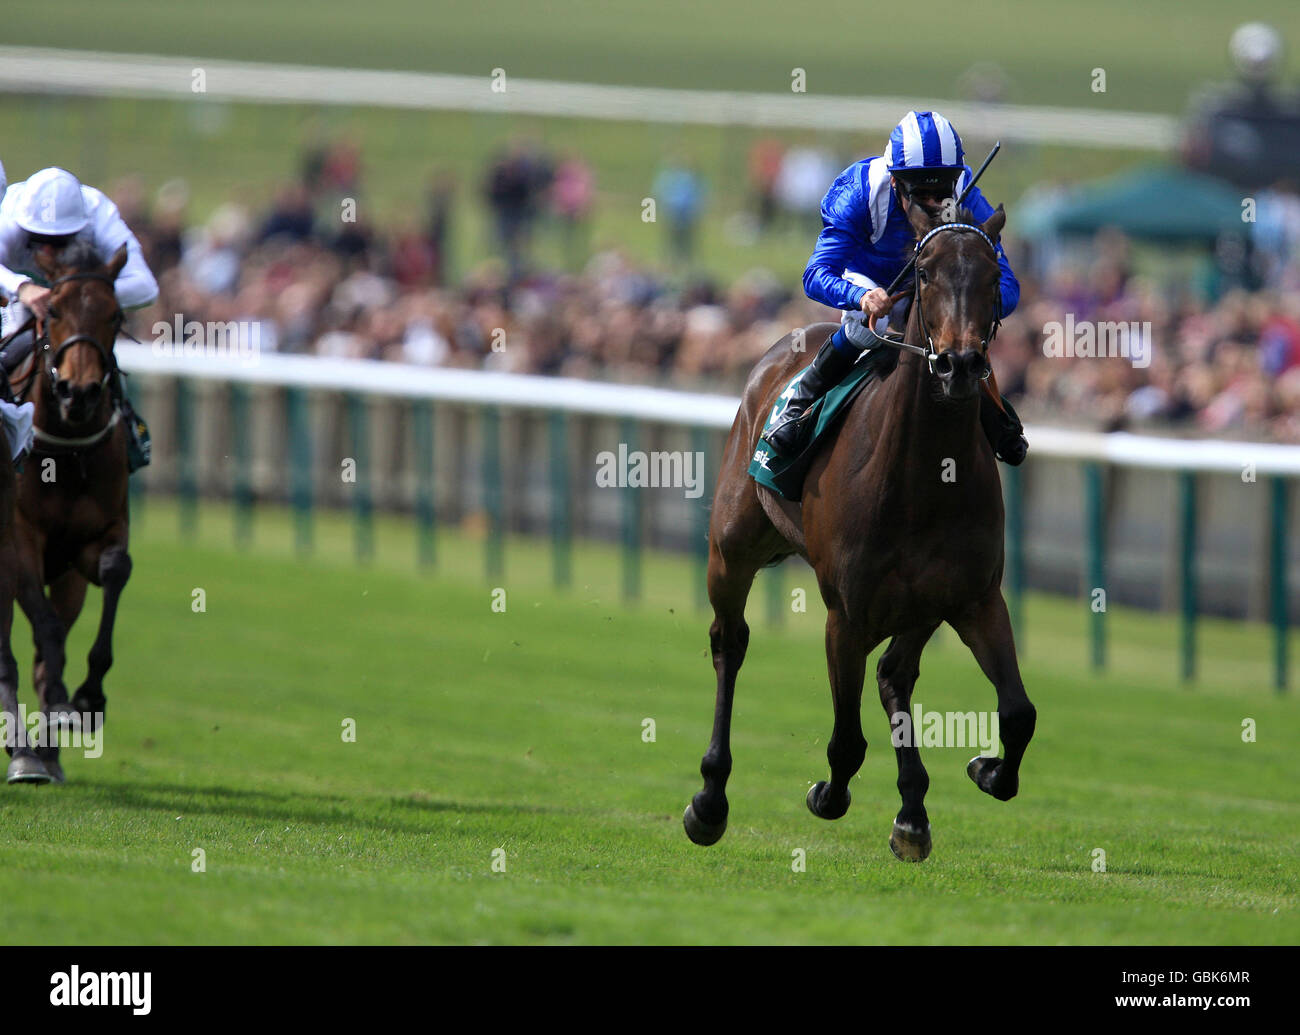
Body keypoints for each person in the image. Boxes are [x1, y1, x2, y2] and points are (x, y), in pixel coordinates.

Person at [762, 111, 1027, 463]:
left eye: (943, 190)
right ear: (895, 182)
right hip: (871, 279)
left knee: (959, 329)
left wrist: (970, 304)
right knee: (870, 327)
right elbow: (816, 274)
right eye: (922, 193)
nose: (936, 204)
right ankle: (800, 402)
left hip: (934, 286)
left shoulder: (970, 199)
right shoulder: (860, 193)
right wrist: (861, 297)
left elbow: (1007, 286)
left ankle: (997, 414)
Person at [0, 167, 158, 470]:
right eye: (39, 239)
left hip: (75, 301)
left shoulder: (100, 214)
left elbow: (146, 286)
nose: (48, 249)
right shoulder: (11, 213)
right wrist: (22, 287)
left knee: (94, 353)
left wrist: (81, 299)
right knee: (7, 352)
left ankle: (127, 426)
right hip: (17, 292)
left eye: (60, 241)